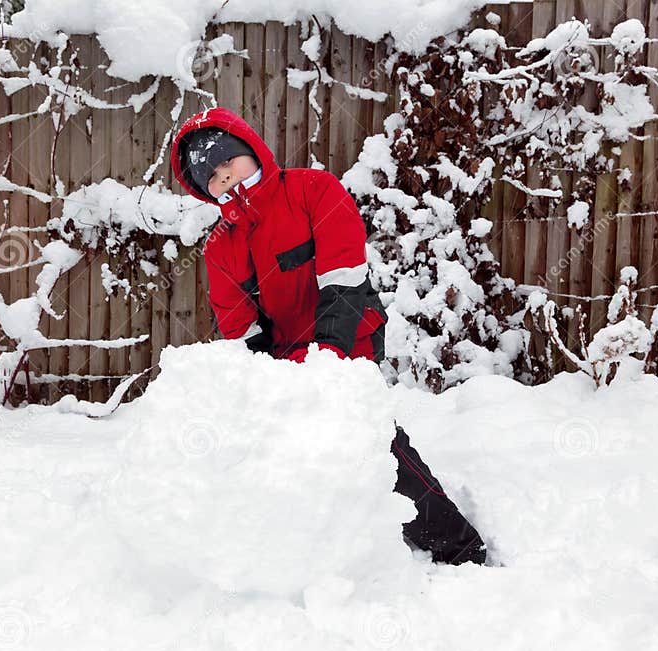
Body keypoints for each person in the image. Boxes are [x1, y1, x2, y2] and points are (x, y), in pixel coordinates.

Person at [170, 107, 487, 566]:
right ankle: (321, 548)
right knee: (294, 449)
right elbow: (240, 324)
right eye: (213, 179)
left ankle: (459, 548)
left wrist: (328, 360)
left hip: (350, 335)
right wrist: (269, 383)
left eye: (228, 162)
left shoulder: (312, 189)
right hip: (285, 359)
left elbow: (344, 277)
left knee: (371, 444)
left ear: (251, 150)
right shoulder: (221, 246)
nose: (225, 178)